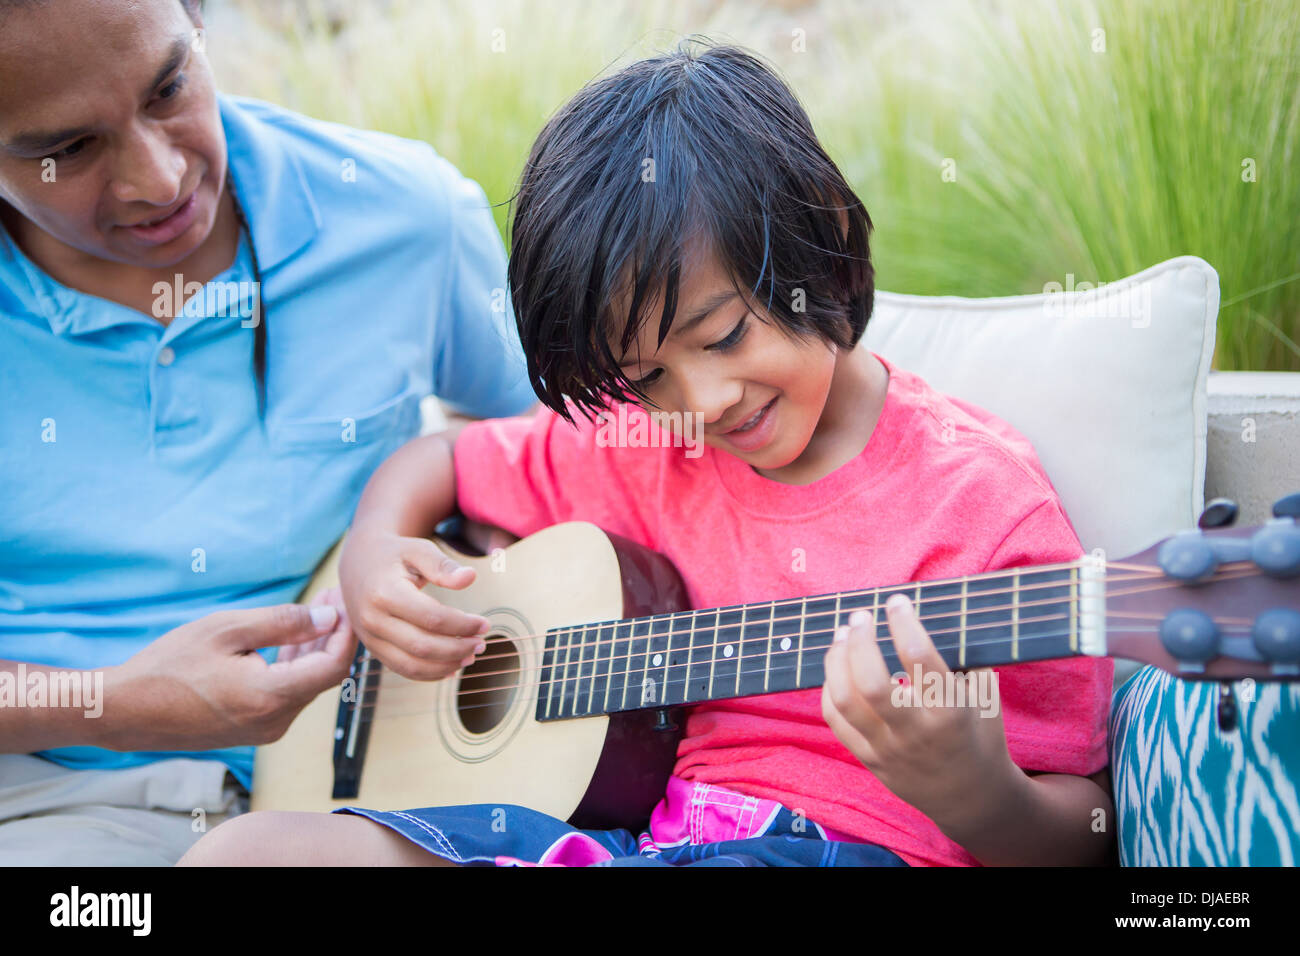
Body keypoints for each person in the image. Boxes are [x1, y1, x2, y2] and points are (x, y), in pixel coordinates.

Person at [181, 41, 1115, 867]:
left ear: (821, 237)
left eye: (720, 339)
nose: (703, 402)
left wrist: (973, 791)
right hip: (648, 838)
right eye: (648, 375)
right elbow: (443, 463)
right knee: (244, 853)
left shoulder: (982, 511)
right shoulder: (646, 441)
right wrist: (375, 552)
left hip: (848, 847)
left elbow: (1087, 833)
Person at [0, 0, 535, 865]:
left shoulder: (411, 216)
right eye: (67, 149)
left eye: (170, 86)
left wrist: (472, 546)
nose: (160, 178)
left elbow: (550, 454)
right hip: (53, 798)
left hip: (384, 795)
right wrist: (113, 700)